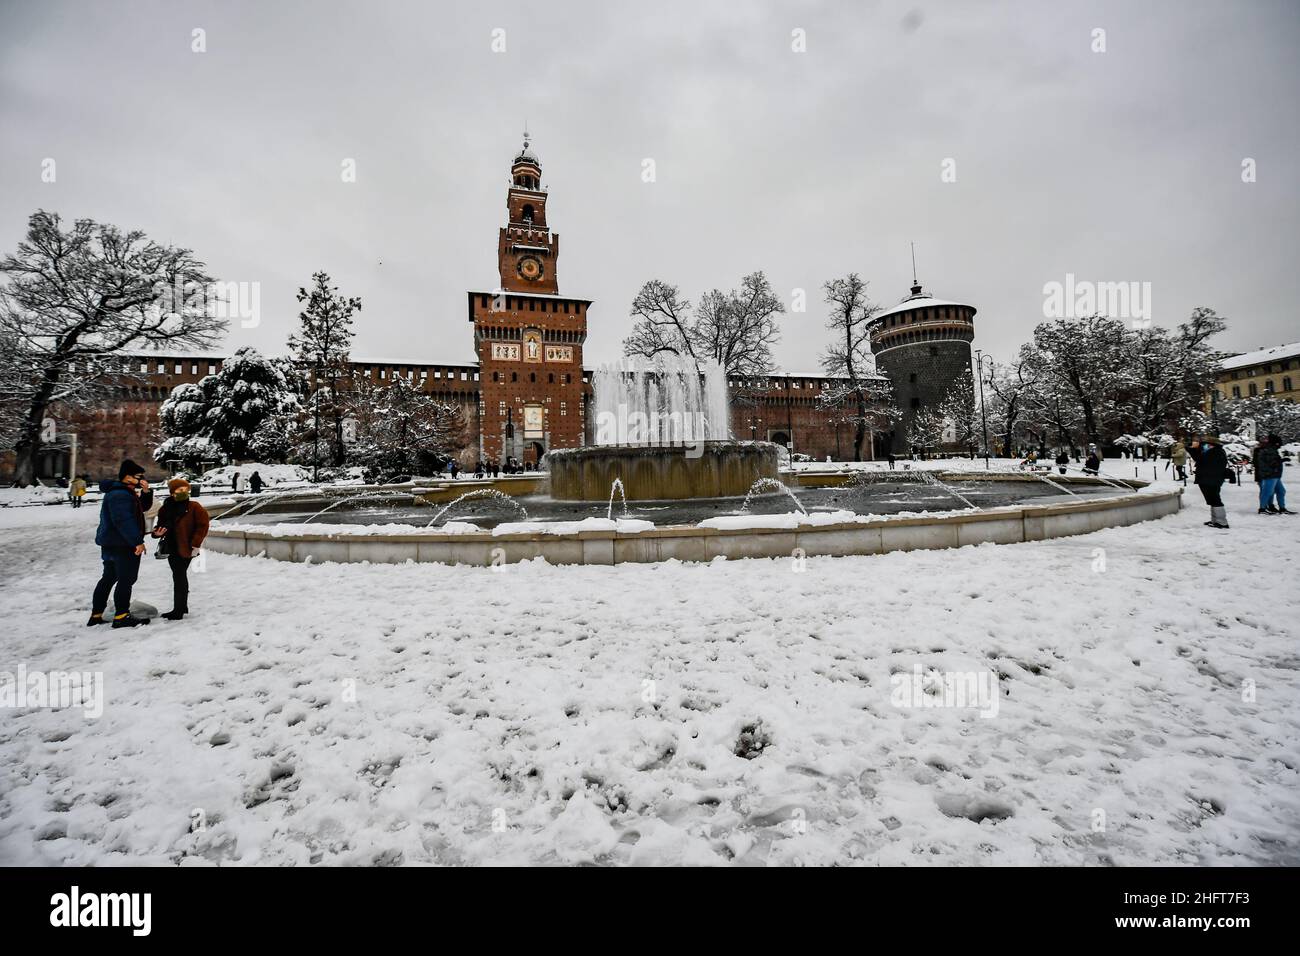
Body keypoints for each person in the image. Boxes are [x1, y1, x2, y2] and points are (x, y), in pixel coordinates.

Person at [88, 459, 153, 628]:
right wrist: (137, 542)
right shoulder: (121, 495)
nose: (141, 479)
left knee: (109, 578)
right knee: (126, 579)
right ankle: (121, 616)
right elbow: (123, 520)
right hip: (122, 544)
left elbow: (141, 508)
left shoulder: (124, 492)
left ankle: (96, 615)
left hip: (113, 543)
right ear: (128, 477)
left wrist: (146, 491)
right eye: (138, 476)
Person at [150, 477, 211, 620]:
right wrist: (156, 533)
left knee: (179, 576)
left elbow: (203, 526)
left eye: (186, 490)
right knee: (178, 575)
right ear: (172, 492)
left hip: (187, 547)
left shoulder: (194, 506)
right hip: (171, 546)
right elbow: (161, 526)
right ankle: (182, 606)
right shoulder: (165, 508)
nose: (184, 492)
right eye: (180, 490)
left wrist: (195, 544)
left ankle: (178, 610)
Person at [1188, 434, 1229, 529]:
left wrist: (1193, 450)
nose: (1204, 446)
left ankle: (1222, 522)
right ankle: (1215, 520)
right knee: (1212, 499)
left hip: (1212, 480)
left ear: (1212, 444)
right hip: (1209, 479)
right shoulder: (1212, 451)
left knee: (1215, 499)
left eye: (1206, 444)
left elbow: (1200, 460)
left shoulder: (1215, 452)